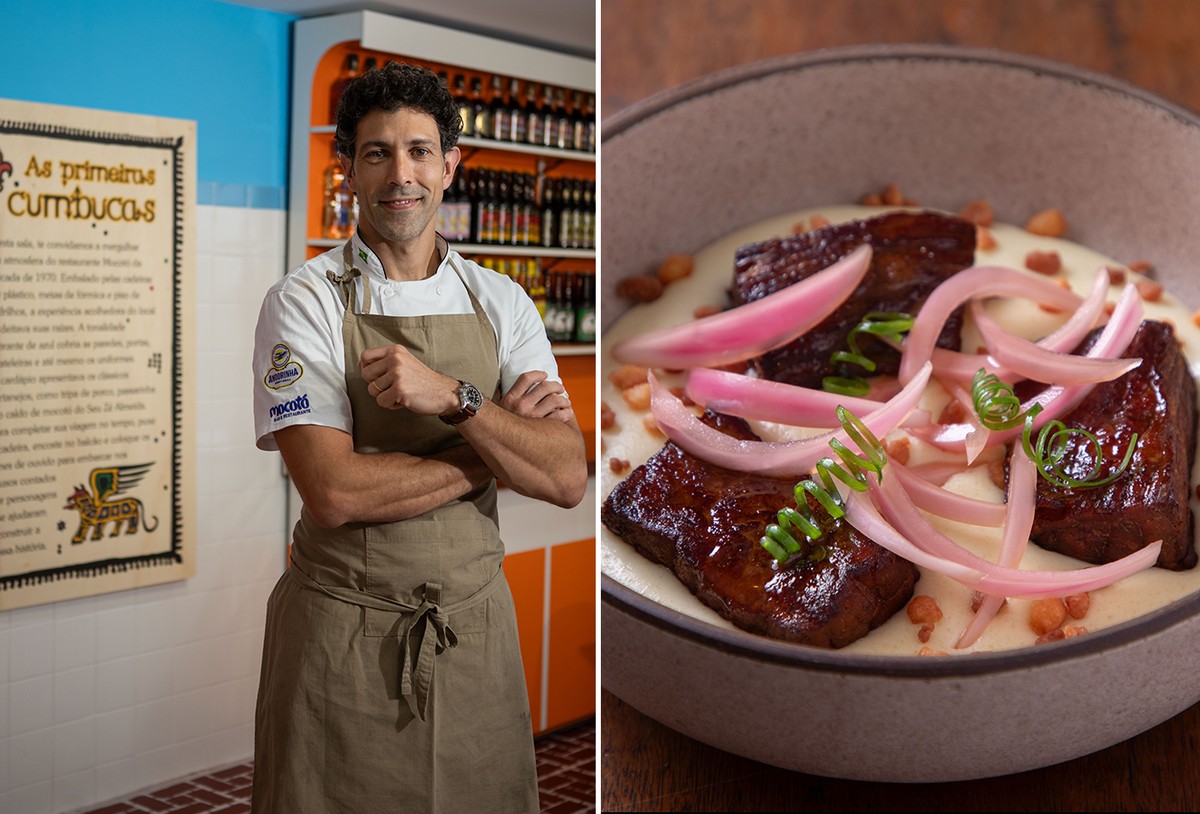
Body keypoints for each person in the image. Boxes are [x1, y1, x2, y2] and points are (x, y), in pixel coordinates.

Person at [249, 60, 588, 813]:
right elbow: (335, 493)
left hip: (474, 629)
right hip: (343, 635)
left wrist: (456, 399)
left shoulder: (501, 300)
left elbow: (566, 478)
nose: (400, 175)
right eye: (377, 153)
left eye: (419, 151)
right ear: (349, 169)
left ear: (449, 166)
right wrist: (493, 450)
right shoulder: (302, 303)